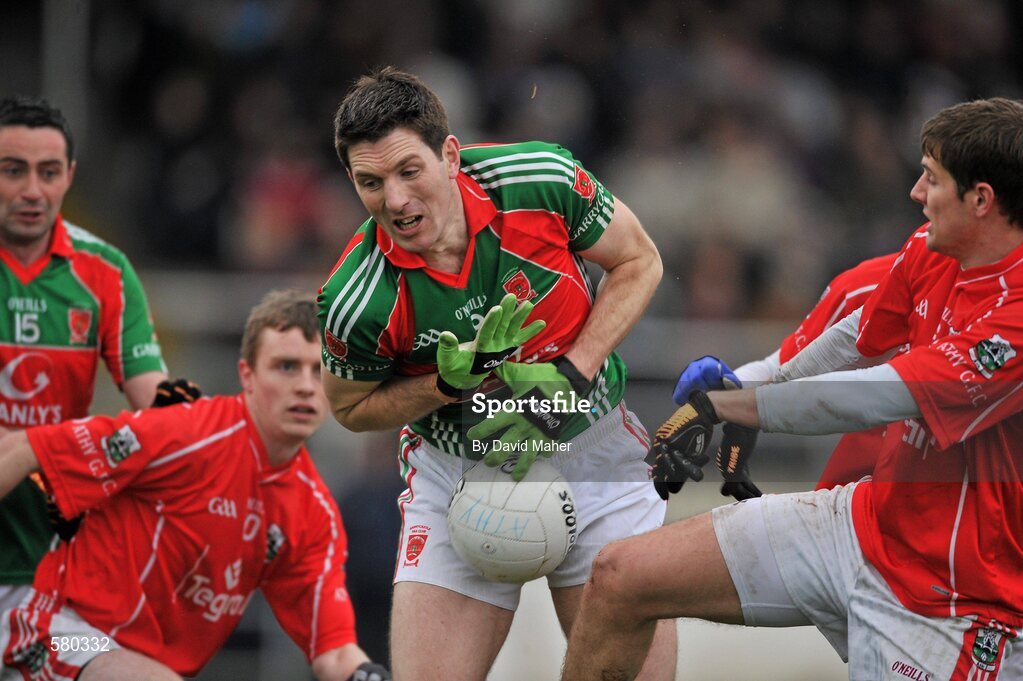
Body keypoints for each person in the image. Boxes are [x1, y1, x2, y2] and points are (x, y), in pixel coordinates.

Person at [561, 97, 1023, 681]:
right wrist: (748, 383)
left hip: (958, 605)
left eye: (931, 179)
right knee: (619, 578)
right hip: (865, 525)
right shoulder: (934, 251)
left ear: (981, 200)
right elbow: (859, 336)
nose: (914, 192)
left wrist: (732, 406)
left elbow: (875, 394)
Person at [317, 67, 676, 680]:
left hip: (592, 445)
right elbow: (350, 409)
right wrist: (444, 386)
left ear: (450, 155)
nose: (396, 201)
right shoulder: (357, 299)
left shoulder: (541, 179)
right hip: (458, 468)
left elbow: (640, 260)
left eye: (410, 171)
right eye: (370, 182)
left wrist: (569, 373)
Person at [0, 290, 390, 681]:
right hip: (59, 635)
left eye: (318, 370)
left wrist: (367, 675)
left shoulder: (313, 514)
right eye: (286, 367)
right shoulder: (187, 433)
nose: (305, 386)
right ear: (247, 376)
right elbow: (24, 446)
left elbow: (335, 652)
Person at [0, 95, 200, 620]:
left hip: (55, 583)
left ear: (69, 176)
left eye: (47, 172)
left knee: (119, 668)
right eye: (13, 171)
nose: (31, 191)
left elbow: (154, 398)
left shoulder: (106, 271)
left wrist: (190, 418)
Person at [673, 250, 898, 492]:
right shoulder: (866, 285)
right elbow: (784, 365)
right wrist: (733, 387)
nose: (927, 209)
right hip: (858, 503)